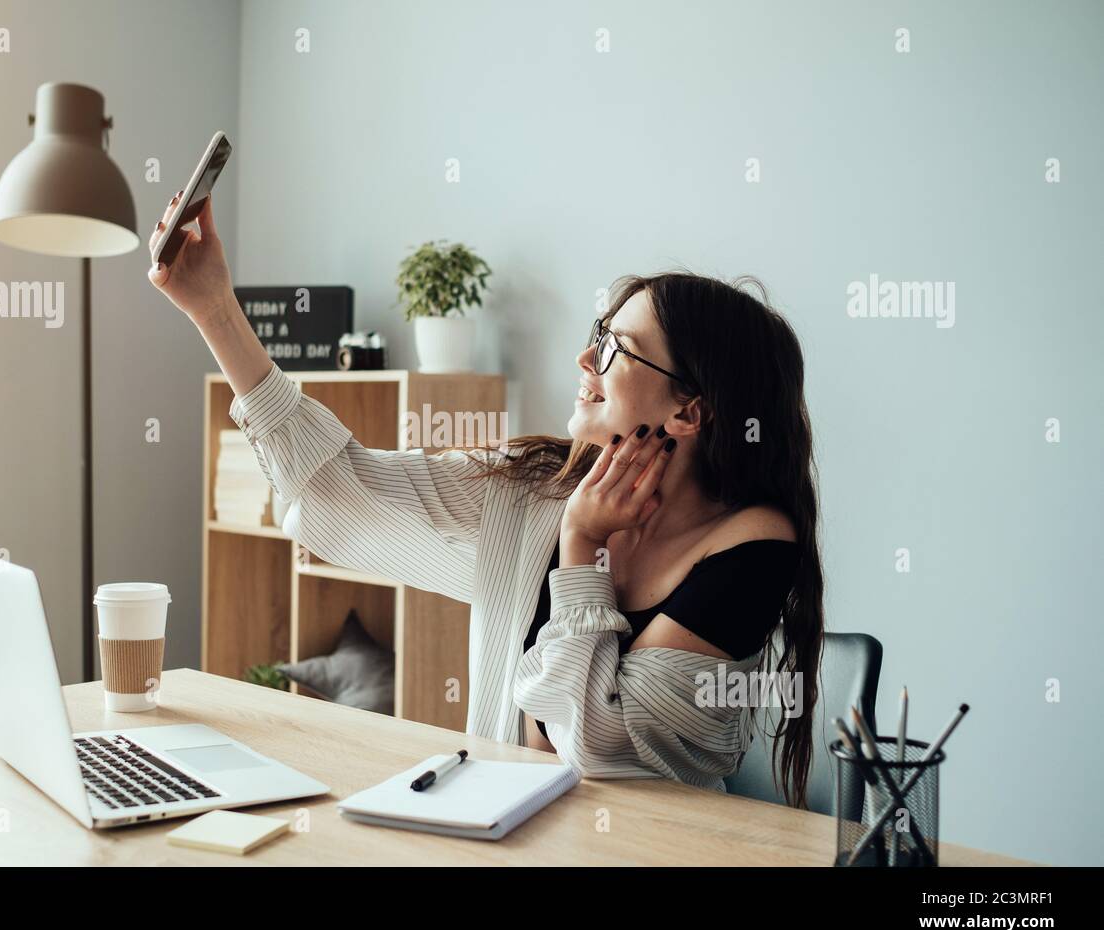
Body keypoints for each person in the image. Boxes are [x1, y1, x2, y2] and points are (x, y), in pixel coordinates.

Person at [148, 193, 824, 806]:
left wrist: (580, 550)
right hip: (508, 839)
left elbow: (598, 747)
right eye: (596, 339)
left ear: (690, 412)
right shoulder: (532, 489)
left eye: (615, 349)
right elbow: (335, 492)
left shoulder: (753, 543)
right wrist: (213, 308)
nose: (585, 363)